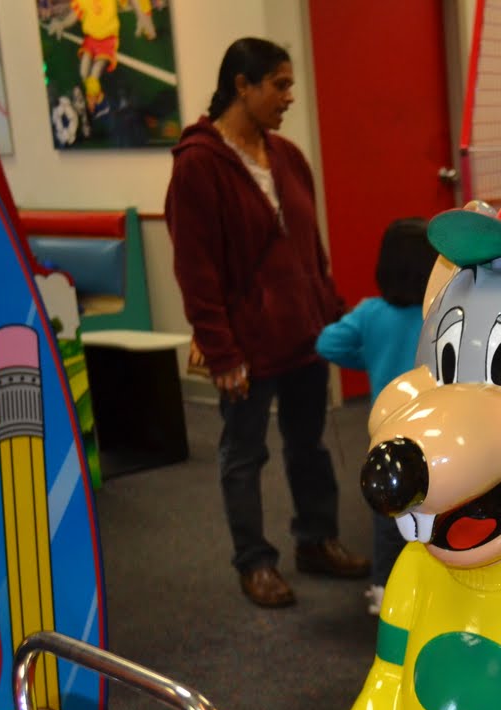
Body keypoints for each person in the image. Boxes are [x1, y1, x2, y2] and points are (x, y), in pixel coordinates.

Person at [165, 37, 368, 609]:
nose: (289, 96)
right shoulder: (198, 166)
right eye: (278, 84)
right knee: (244, 453)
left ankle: (315, 540)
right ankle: (254, 562)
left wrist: (331, 313)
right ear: (242, 86)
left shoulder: (289, 157)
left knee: (309, 444)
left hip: (303, 334)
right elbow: (195, 271)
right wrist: (222, 353)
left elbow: (311, 249)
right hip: (246, 348)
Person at [316, 218, 440, 615]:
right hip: (436, 430)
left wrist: (369, 357)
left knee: (391, 517)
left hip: (387, 434)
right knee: (435, 511)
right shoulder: (436, 314)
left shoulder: (371, 313)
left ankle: (384, 592)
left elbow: (327, 342)